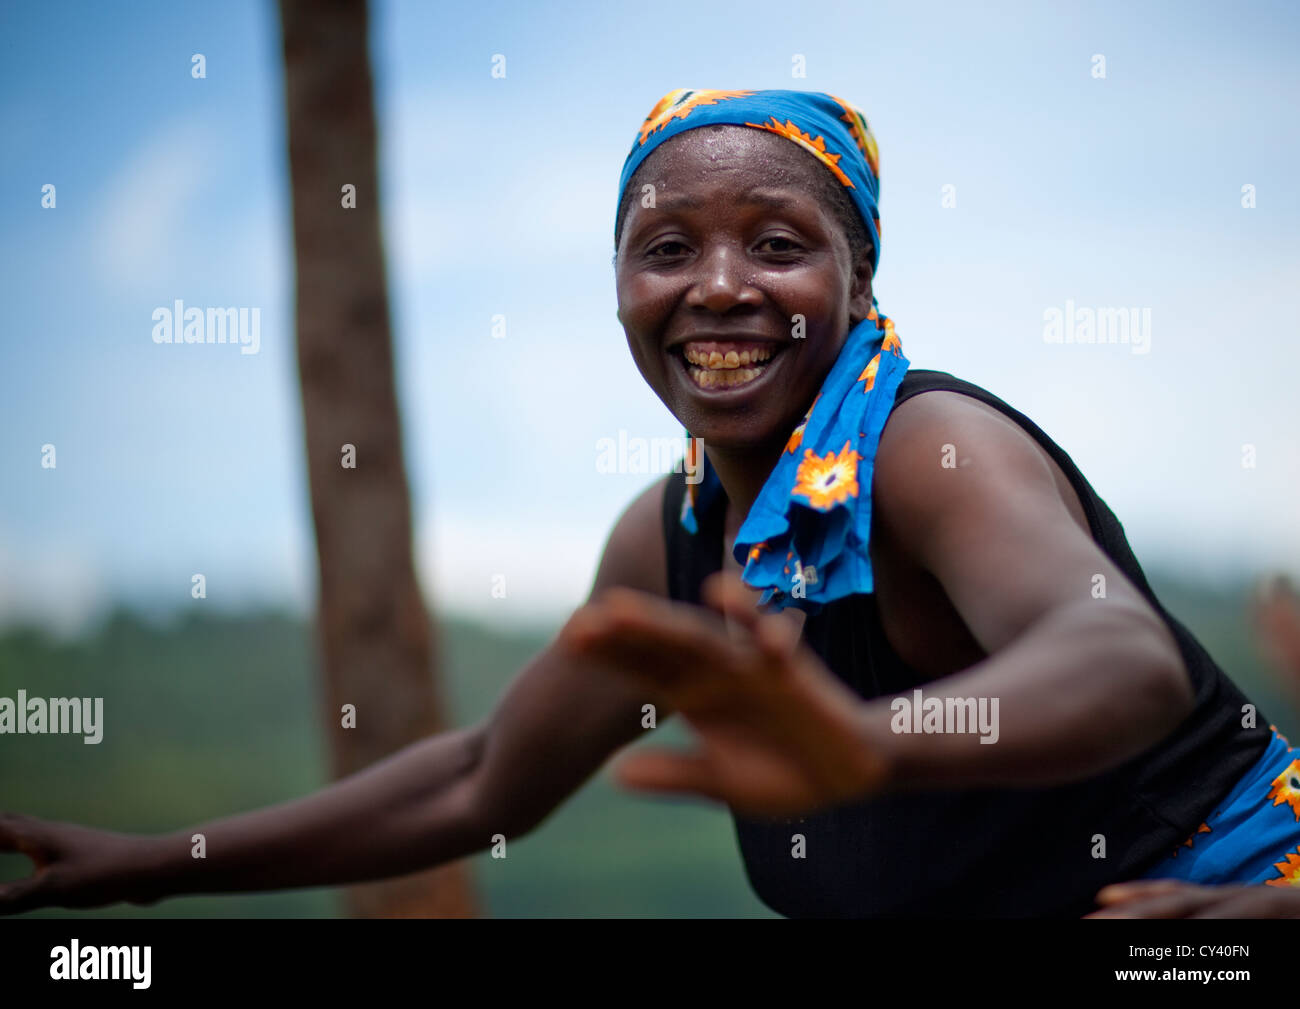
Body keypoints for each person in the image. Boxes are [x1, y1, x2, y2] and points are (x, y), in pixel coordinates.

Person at [1, 88, 1295, 919]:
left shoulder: (928, 453)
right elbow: (476, 780)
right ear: (621, 284)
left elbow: (1121, 655)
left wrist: (877, 739)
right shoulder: (667, 536)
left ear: (857, 279)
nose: (719, 286)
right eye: (667, 248)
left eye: (778, 244)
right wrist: (162, 864)